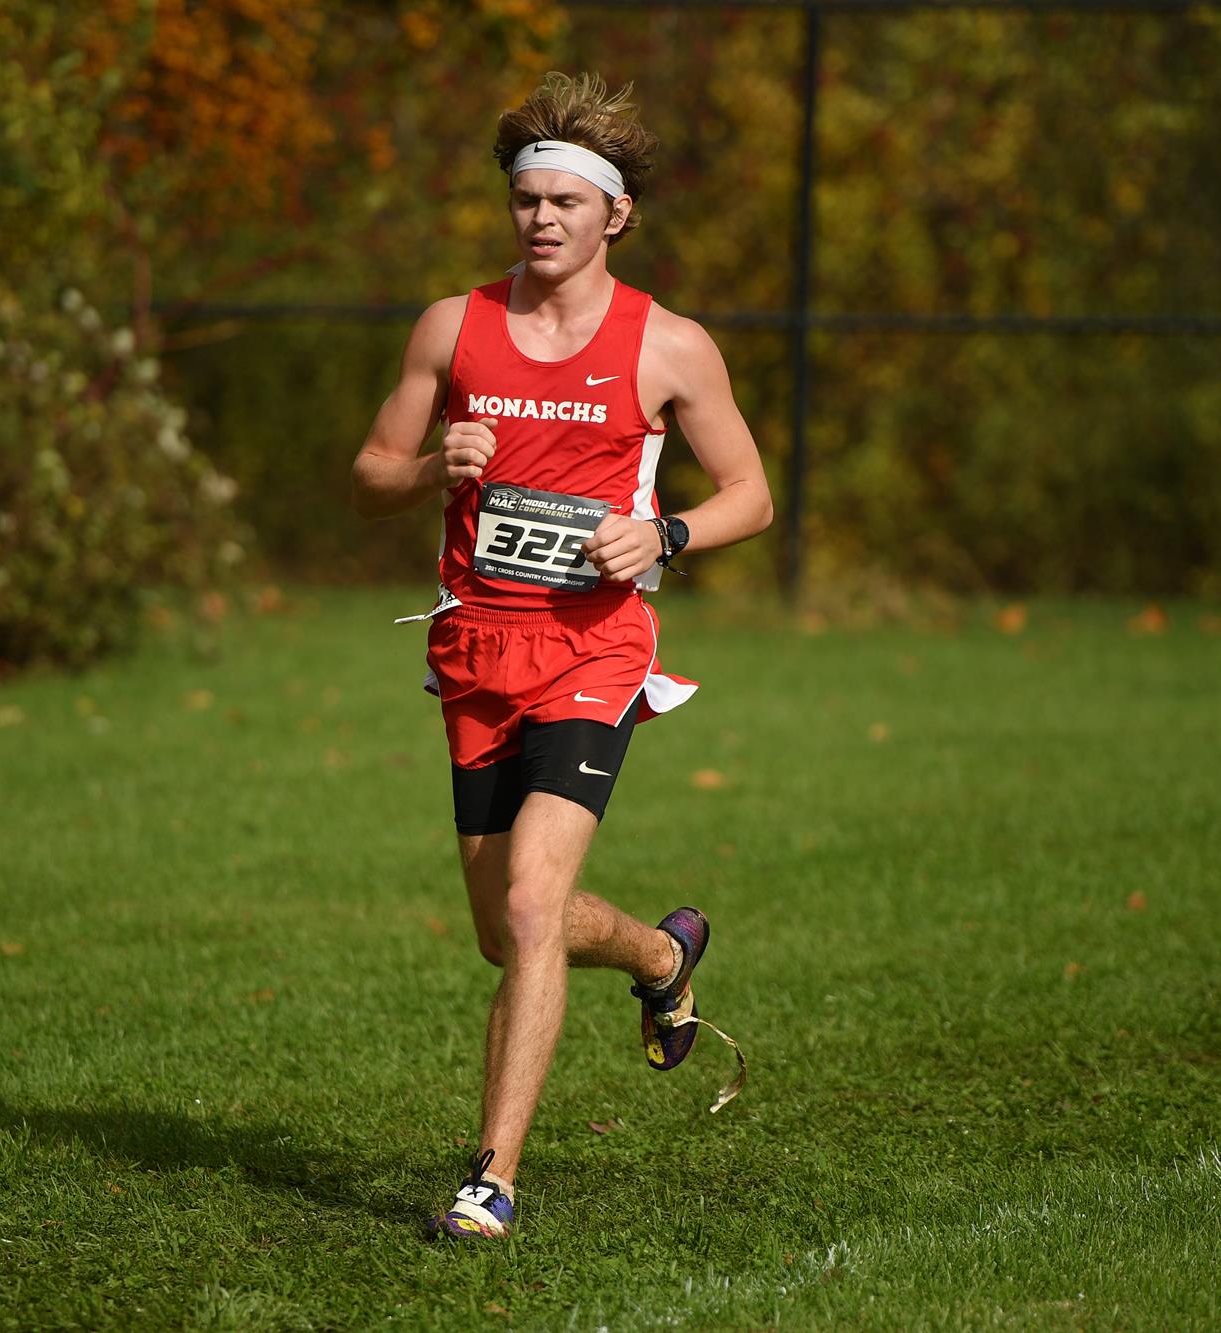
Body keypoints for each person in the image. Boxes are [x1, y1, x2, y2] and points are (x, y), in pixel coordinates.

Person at [350, 71, 772, 1240]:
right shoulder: (452, 326)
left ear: (614, 214)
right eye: (523, 201)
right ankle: (657, 953)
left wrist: (667, 532)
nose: (539, 219)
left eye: (563, 203)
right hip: (475, 647)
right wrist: (437, 465)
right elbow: (370, 474)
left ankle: (488, 1180)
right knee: (502, 927)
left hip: (595, 647)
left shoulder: (670, 345)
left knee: (534, 904)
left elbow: (753, 495)